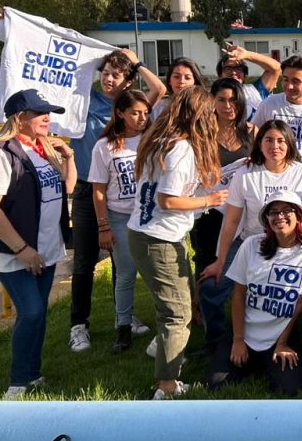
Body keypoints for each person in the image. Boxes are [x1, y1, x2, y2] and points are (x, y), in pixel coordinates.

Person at [0, 90, 76, 398]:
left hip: (45, 246)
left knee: (39, 313)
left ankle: (33, 374)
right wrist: (21, 249)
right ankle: (17, 383)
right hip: (14, 251)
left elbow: (67, 188)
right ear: (19, 118)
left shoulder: (43, 148)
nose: (47, 118)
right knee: (31, 312)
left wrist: (68, 157)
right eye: (40, 113)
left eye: (48, 112)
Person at [127, 86, 227, 400]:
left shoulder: (161, 140)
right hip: (158, 239)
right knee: (178, 314)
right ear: (199, 115)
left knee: (172, 309)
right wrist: (209, 200)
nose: (215, 118)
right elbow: (168, 200)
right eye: (211, 113)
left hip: (152, 234)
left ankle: (165, 360)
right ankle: (167, 387)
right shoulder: (181, 148)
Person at [68, 47, 165, 354]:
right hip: (90, 188)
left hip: (132, 204)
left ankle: (124, 317)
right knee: (84, 260)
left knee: (123, 267)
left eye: (116, 74)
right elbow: (64, 81)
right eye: (105, 73)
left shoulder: (136, 109)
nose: (109, 79)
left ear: (128, 81)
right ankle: (79, 324)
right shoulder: (85, 101)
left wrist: (136, 62)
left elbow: (159, 89)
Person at [201, 121, 302, 336]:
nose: (275, 146)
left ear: (289, 143)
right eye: (269, 140)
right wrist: (220, 260)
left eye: (281, 140)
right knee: (211, 287)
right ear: (259, 143)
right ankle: (216, 340)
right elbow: (231, 221)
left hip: (293, 246)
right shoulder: (245, 173)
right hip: (252, 243)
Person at [206, 191, 302, 396]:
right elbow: (238, 294)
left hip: (280, 333)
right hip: (245, 331)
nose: (280, 216)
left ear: (299, 216)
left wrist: (282, 343)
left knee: (290, 389)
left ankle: (287, 360)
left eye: (286, 210)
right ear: (267, 218)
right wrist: (238, 340)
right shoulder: (251, 244)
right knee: (216, 384)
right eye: (273, 212)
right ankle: (255, 361)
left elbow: (299, 303)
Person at [189, 78, 257, 354]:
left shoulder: (252, 132)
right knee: (209, 272)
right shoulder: (201, 135)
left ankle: (251, 332)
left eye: (233, 100)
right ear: (212, 103)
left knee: (246, 274)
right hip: (210, 216)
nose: (228, 106)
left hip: (244, 217)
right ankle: (213, 337)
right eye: (221, 100)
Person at [87, 90, 152, 354]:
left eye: (145, 113)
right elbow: (98, 190)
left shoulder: (152, 140)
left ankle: (169, 324)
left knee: (156, 272)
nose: (142, 118)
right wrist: (103, 226)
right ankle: (123, 327)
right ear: (120, 113)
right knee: (126, 273)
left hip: (150, 216)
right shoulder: (105, 147)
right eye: (135, 113)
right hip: (120, 217)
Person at [252, 55, 302, 175]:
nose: (289, 86)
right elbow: (253, 135)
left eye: (295, 81)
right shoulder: (269, 104)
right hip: (271, 177)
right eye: (285, 79)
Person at [216, 42, 281, 115]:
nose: (234, 72)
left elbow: (275, 68)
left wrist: (247, 54)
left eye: (238, 69)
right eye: (228, 69)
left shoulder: (254, 92)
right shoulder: (212, 97)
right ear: (219, 75)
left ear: (245, 75)